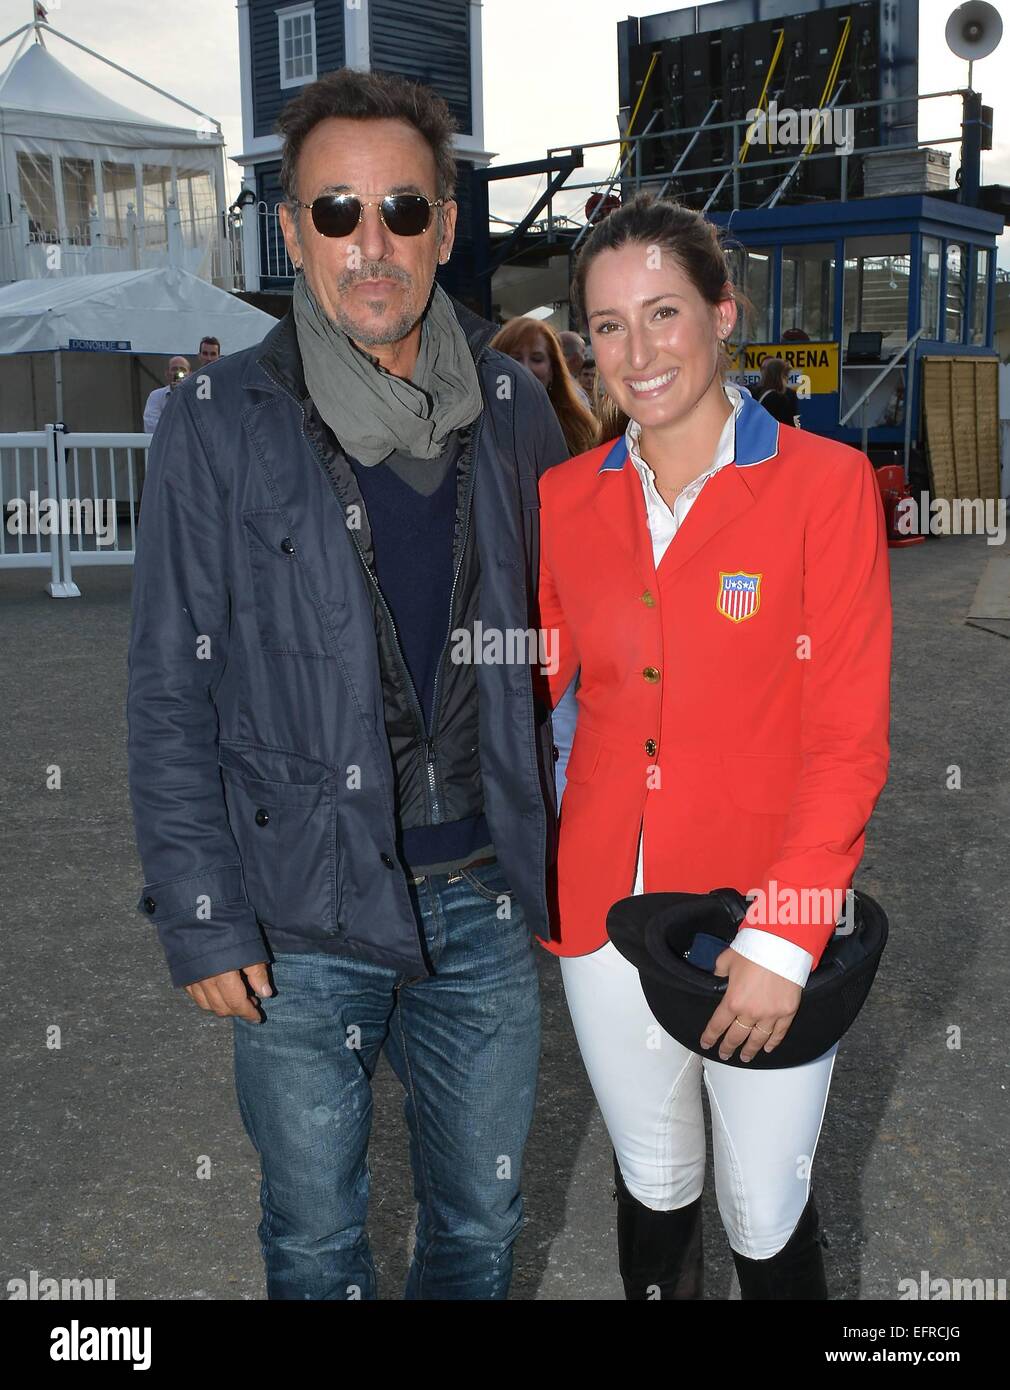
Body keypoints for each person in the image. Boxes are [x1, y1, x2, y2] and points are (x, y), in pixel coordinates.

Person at [126, 67, 569, 1301]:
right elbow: (168, 688)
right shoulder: (217, 419)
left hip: (480, 902)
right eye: (335, 213)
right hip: (295, 918)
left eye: (401, 211)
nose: (370, 247)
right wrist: (201, 913)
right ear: (289, 230)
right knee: (315, 1245)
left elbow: (569, 645)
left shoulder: (511, 403)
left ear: (445, 221)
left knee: (478, 1227)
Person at [535, 190, 891, 1300]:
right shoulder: (557, 499)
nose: (633, 352)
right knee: (652, 1174)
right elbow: (532, 692)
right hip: (601, 910)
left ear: (720, 312)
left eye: (661, 313)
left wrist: (783, 940)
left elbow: (846, 739)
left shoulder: (823, 486)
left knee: (763, 1199)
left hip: (759, 911)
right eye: (604, 325)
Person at [492, 316, 598, 457]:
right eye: (515, 359)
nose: (525, 369)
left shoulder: (580, 429)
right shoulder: (476, 428)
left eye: (537, 359)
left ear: (552, 370)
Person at [142, 356, 190, 433]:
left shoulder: (196, 397)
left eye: (182, 370)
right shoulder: (155, 396)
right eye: (174, 369)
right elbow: (151, 426)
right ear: (167, 373)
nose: (178, 373)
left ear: (189, 375)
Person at [755, 356, 802, 428]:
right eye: (785, 375)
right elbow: (787, 424)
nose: (787, 378)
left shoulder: (762, 394)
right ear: (779, 376)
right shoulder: (778, 398)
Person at [559, 329, 594, 410]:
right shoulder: (576, 394)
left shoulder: (544, 384)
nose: (584, 359)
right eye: (583, 353)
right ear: (576, 357)